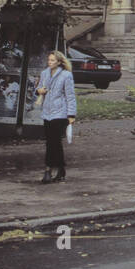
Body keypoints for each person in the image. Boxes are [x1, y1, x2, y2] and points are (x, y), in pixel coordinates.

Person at [34, 50, 76, 182]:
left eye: (52, 60)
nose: (50, 62)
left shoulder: (66, 75)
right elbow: (39, 88)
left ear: (59, 62)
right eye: (49, 60)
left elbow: (70, 96)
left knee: (54, 142)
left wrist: (71, 114)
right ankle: (61, 169)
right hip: (47, 112)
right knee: (51, 143)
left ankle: (48, 170)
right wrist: (39, 90)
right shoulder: (44, 73)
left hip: (60, 112)